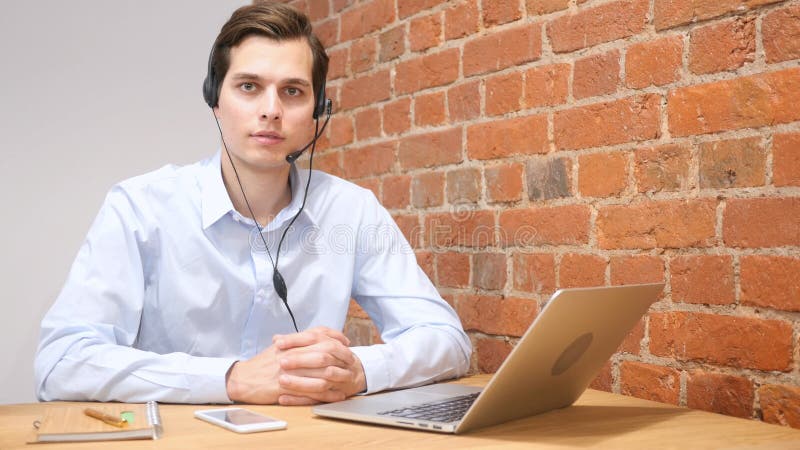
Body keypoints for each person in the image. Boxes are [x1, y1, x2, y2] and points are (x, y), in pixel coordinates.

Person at [34, 2, 470, 406]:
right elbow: (61, 362)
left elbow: (447, 340)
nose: (271, 110)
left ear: (317, 111)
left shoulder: (353, 211)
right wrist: (231, 379)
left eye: (293, 92)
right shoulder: (140, 207)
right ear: (215, 101)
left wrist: (360, 369)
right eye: (249, 86)